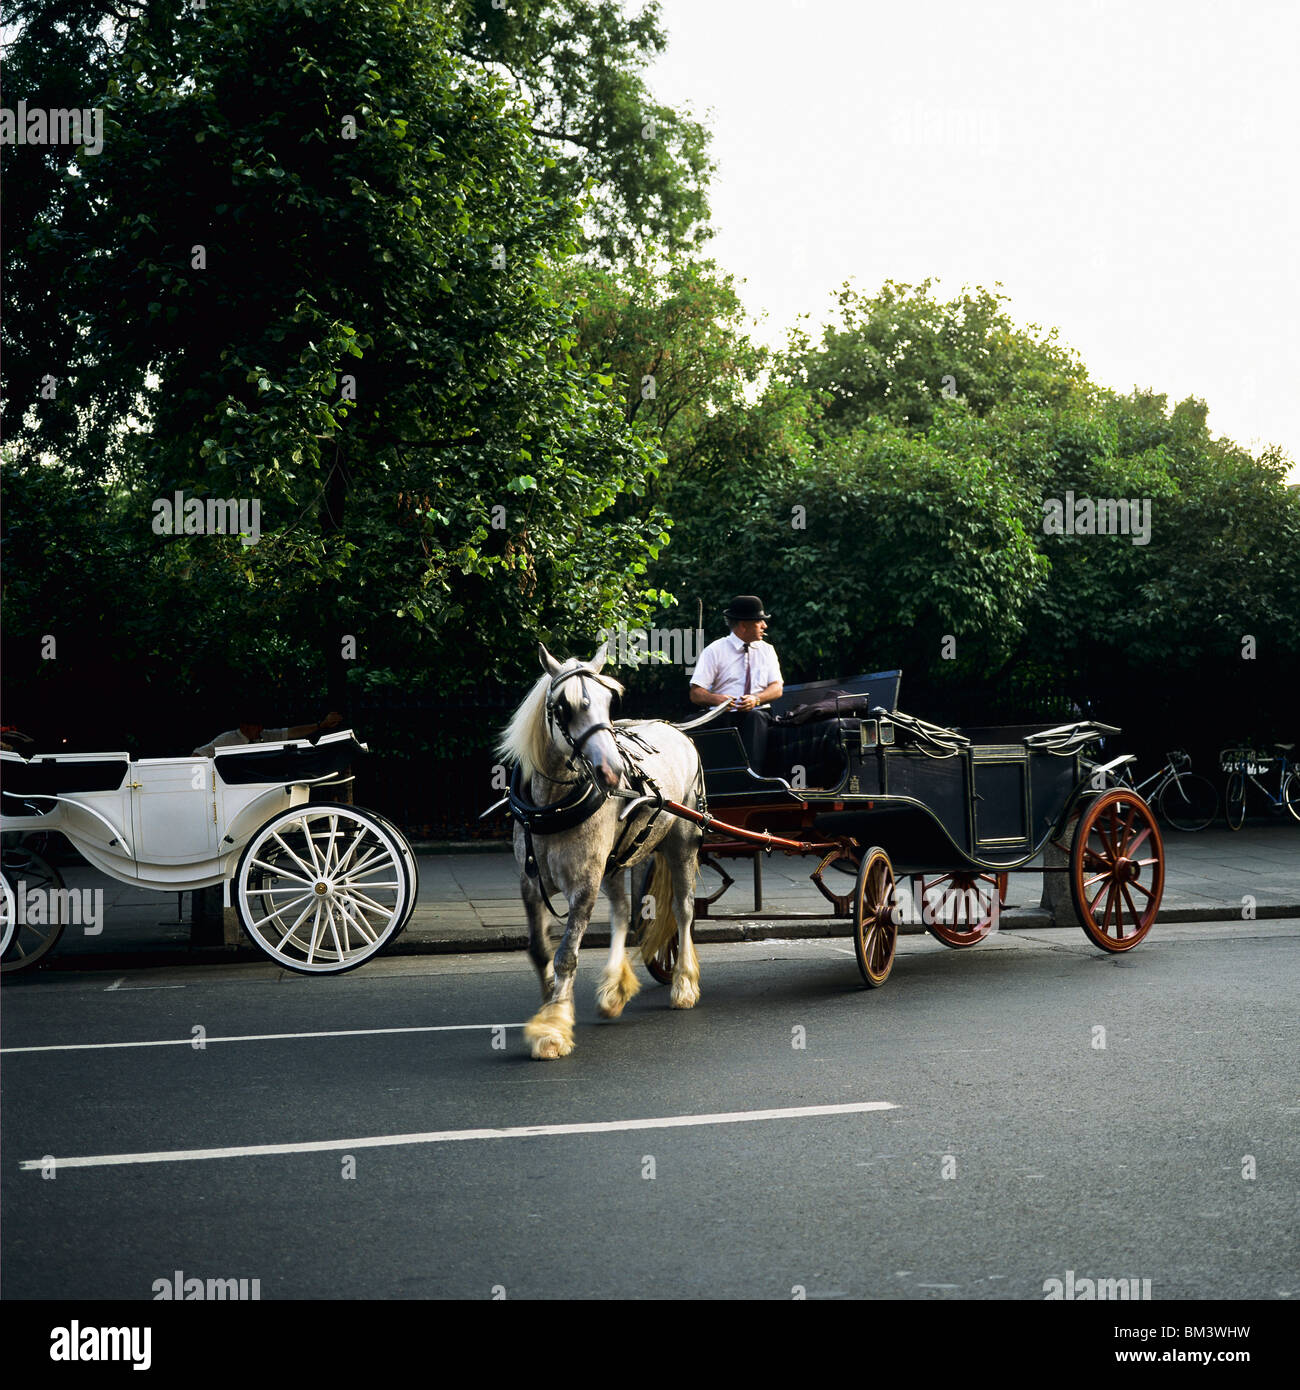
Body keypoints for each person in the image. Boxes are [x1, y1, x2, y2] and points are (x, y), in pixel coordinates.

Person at [689, 596, 783, 771]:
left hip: (757, 713)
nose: (765, 626)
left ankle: (751, 779)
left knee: (754, 718)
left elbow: (777, 688)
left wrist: (756, 699)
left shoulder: (767, 650)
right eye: (759, 622)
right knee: (690, 723)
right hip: (722, 715)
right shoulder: (715, 650)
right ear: (743, 625)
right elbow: (696, 693)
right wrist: (718, 700)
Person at [192, 711, 343, 759]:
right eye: (255, 725)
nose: (259, 728)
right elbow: (198, 754)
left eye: (260, 725)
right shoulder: (227, 739)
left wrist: (320, 725)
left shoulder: (266, 736)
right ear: (244, 726)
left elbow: (292, 732)